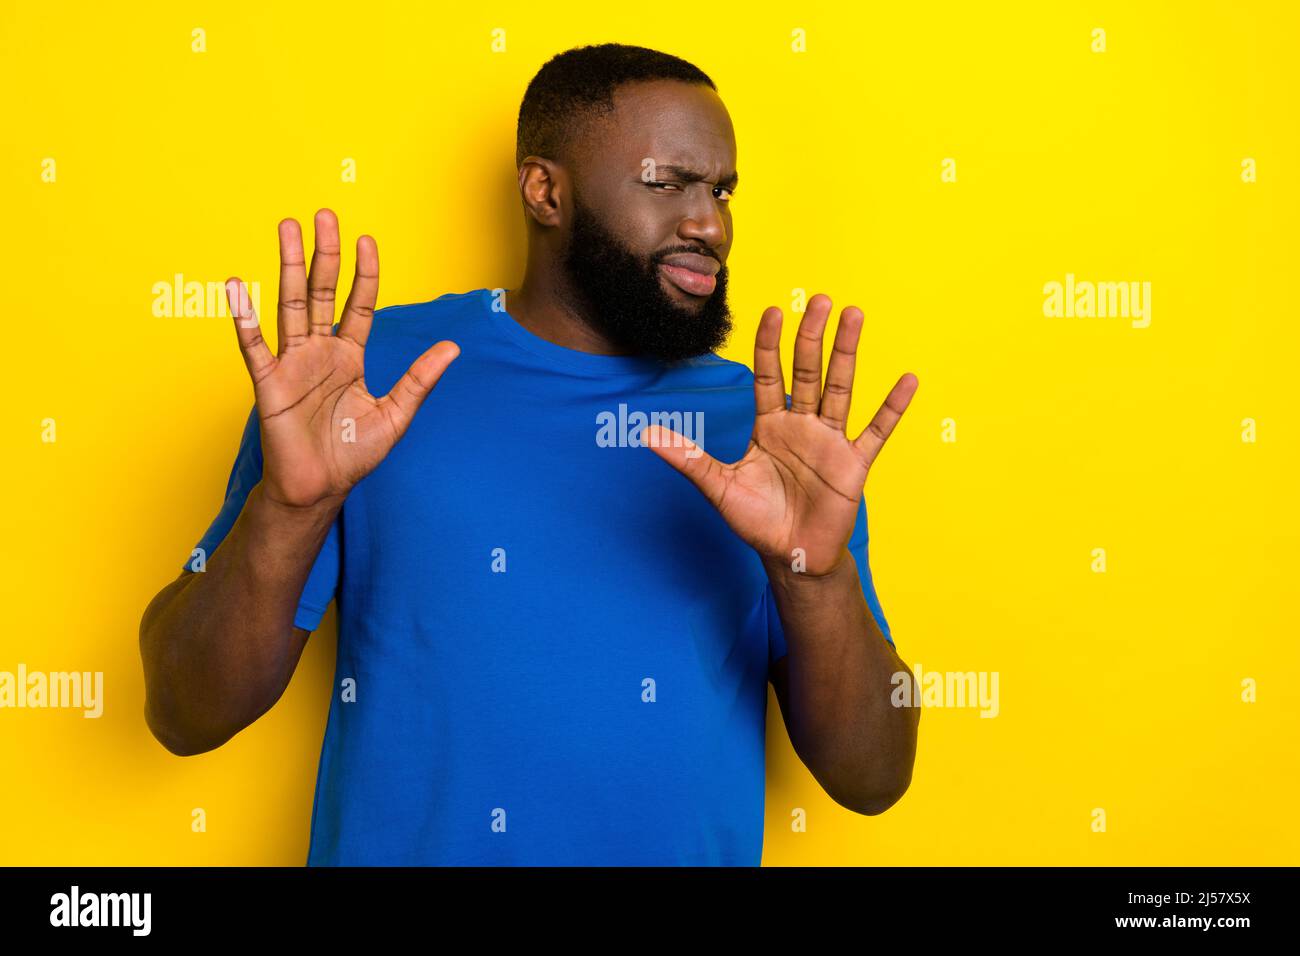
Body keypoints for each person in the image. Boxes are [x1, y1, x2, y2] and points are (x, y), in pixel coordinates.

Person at [138, 42, 920, 865]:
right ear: (545, 190)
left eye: (722, 191)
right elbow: (184, 711)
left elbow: (873, 777)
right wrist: (288, 509)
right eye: (668, 182)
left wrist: (814, 576)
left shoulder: (773, 435)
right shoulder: (361, 381)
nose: (709, 223)